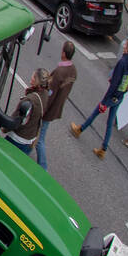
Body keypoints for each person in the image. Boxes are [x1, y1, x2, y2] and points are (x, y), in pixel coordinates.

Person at [70, 38, 128, 159]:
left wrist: (105, 100)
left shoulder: (122, 62)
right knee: (109, 122)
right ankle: (103, 148)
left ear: (127, 48)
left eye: (125, 46)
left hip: (112, 96)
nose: (123, 47)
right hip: (120, 96)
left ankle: (80, 129)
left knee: (96, 112)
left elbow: (114, 83)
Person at [37, 42, 76, 171]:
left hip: (50, 109)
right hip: (58, 107)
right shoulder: (73, 70)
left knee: (40, 139)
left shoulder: (59, 72)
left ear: (63, 53)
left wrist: (42, 109)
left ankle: (43, 167)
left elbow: (50, 94)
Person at [4, 69, 50, 157]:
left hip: (18, 138)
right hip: (30, 139)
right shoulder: (45, 94)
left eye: (33, 76)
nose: (31, 78)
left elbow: (16, 119)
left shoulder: (30, 99)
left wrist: (5, 128)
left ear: (36, 80)